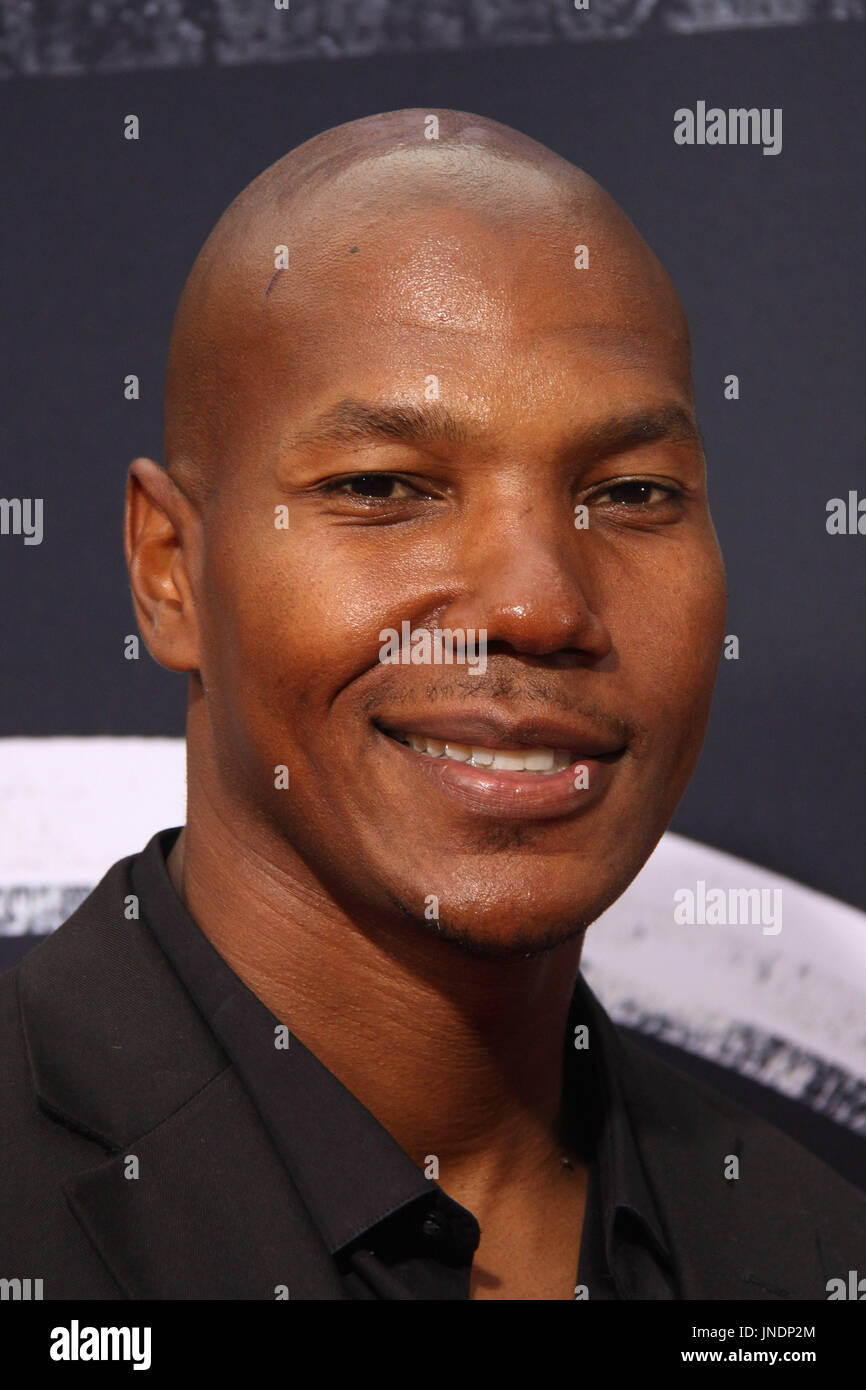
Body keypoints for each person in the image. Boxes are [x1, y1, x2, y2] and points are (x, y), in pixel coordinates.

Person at [1, 109, 862, 1300]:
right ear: (168, 572)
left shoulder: (816, 1258)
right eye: (383, 487)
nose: (538, 603)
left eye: (627, 492)